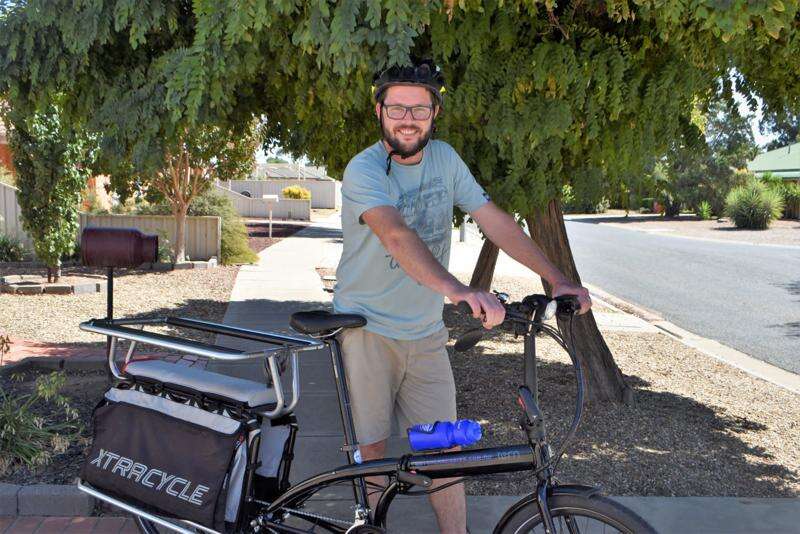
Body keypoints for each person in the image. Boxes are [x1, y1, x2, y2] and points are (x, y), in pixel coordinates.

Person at [333, 59, 592, 534]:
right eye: (396, 107)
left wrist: (555, 278)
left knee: (445, 450)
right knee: (370, 449)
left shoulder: (446, 160)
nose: (407, 118)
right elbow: (395, 236)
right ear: (379, 112)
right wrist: (457, 290)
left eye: (419, 108)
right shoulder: (364, 168)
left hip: (425, 333)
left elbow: (493, 219)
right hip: (365, 327)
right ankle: (369, 525)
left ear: (434, 114)